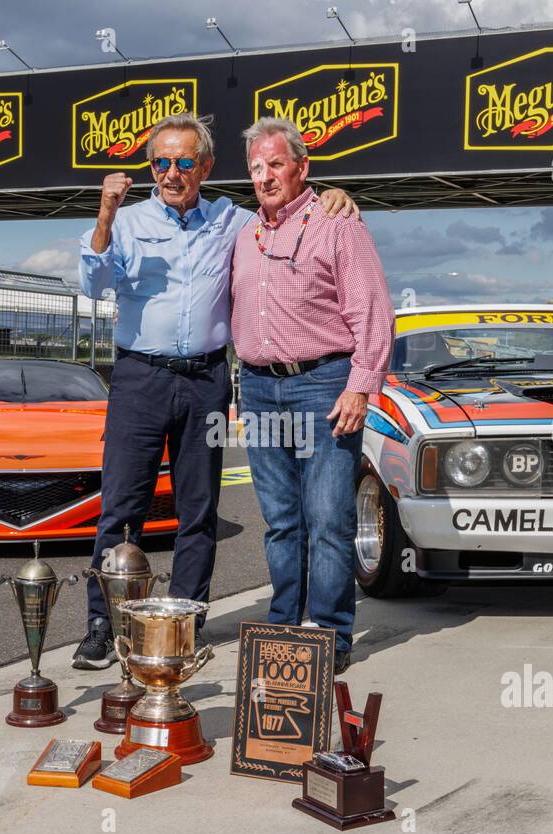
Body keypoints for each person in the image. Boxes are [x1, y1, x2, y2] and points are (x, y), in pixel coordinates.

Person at [73, 112, 358, 669]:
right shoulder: (127, 221)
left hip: (206, 379)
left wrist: (334, 195)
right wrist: (105, 213)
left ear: (204, 166)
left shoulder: (232, 220)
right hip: (139, 379)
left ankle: (184, 622)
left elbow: (288, 208)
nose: (170, 173)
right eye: (160, 162)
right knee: (120, 508)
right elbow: (95, 281)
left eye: (183, 162)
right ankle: (103, 625)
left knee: (198, 509)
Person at [230, 117, 395, 675]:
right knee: (280, 519)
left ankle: (329, 634)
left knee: (327, 517)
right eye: (256, 167)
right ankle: (281, 627)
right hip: (258, 386)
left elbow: (371, 309)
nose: (266, 176)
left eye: (276, 164)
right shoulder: (244, 233)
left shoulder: (336, 224)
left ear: (303, 168)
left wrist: (360, 385)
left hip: (323, 382)